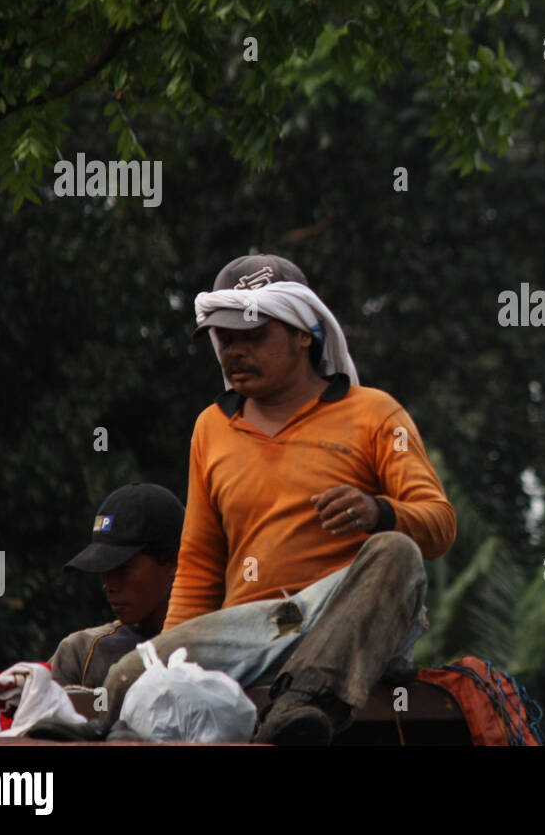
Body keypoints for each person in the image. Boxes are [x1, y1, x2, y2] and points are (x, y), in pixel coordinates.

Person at [101, 254, 456, 744]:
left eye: (254, 336)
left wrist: (379, 511)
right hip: (259, 629)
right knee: (125, 676)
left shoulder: (375, 413)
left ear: (304, 332)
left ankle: (303, 704)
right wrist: (169, 661)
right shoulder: (211, 427)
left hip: (354, 619)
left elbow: (439, 525)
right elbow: (201, 561)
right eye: (225, 338)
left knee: (396, 551)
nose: (235, 351)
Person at [48, 484, 184, 689]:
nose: (109, 585)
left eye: (123, 569)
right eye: (103, 569)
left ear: (172, 561)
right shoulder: (81, 653)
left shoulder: (218, 651)